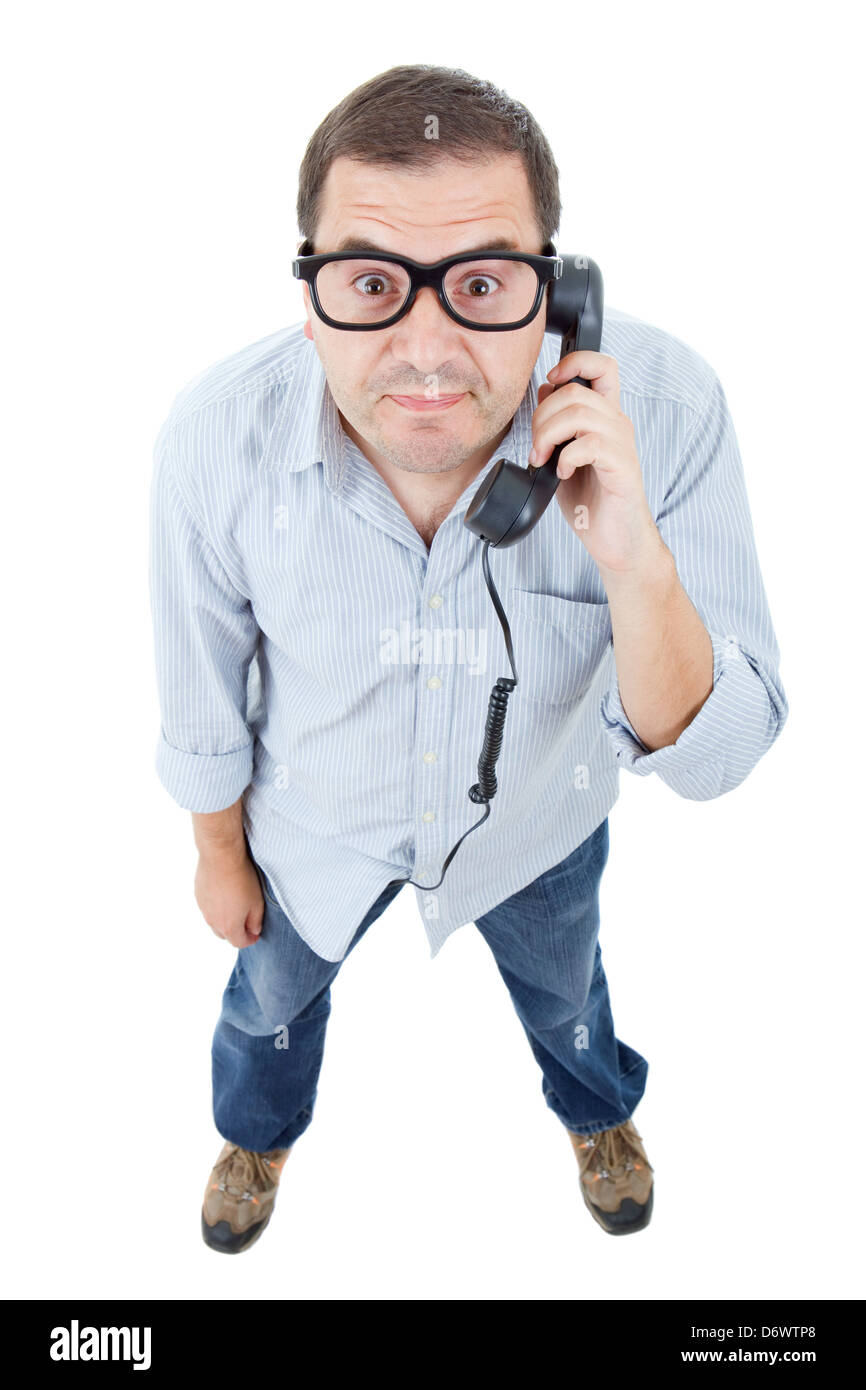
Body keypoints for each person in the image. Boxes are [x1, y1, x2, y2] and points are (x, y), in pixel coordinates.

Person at [148, 64, 788, 1253]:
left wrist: (629, 552)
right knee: (268, 1008)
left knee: (567, 1000)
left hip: (536, 829)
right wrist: (216, 856)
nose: (427, 346)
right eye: (373, 282)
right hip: (310, 833)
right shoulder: (212, 441)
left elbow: (716, 760)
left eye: (484, 281)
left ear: (559, 290)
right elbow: (200, 691)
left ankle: (596, 1114)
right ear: (309, 293)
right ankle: (257, 1133)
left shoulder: (668, 406)